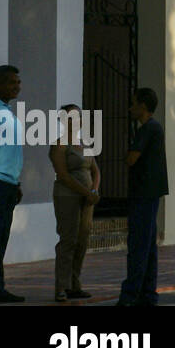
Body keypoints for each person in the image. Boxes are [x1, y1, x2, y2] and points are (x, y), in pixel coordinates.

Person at [118, 87, 167, 307]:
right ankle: (147, 293)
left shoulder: (147, 129)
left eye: (134, 103)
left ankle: (131, 294)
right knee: (148, 245)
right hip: (150, 193)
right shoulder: (154, 129)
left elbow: (131, 158)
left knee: (139, 244)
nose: (131, 108)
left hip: (143, 193)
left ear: (143, 106)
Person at [50, 104, 100, 302]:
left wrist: (94, 190)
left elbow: (95, 170)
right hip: (67, 197)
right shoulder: (59, 145)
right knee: (68, 239)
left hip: (87, 199)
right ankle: (61, 287)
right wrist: (87, 192)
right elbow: (62, 175)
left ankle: (74, 284)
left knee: (82, 240)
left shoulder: (84, 143)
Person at [0, 65, 24, 303]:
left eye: (18, 82)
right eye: (12, 82)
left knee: (1, 237)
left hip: (8, 184)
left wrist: (15, 183)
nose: (17, 86)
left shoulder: (7, 112)